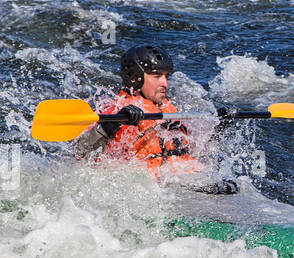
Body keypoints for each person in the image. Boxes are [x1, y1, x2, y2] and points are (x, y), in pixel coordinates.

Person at [74, 44, 236, 192]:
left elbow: (195, 151)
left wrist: (219, 127)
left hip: (186, 183)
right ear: (135, 77)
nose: (165, 83)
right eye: (157, 76)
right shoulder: (116, 110)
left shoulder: (168, 109)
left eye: (166, 76)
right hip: (147, 190)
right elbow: (80, 151)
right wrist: (111, 124)